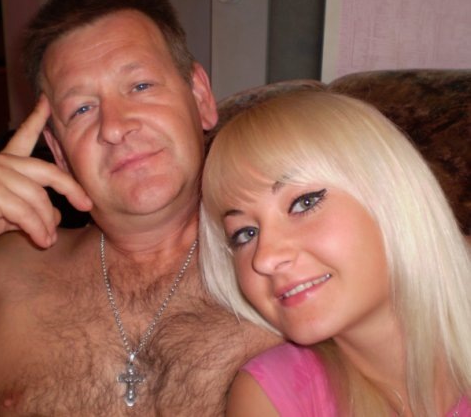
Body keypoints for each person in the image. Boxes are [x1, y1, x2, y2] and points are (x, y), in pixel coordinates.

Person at [0, 0, 279, 416]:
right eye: (82, 109)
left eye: (140, 86)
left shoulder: (282, 263)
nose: (115, 126)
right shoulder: (8, 271)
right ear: (59, 152)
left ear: (200, 96)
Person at [200, 90, 471, 416]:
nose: (265, 258)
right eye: (246, 234)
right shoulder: (273, 397)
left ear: (391, 196)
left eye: (304, 203)